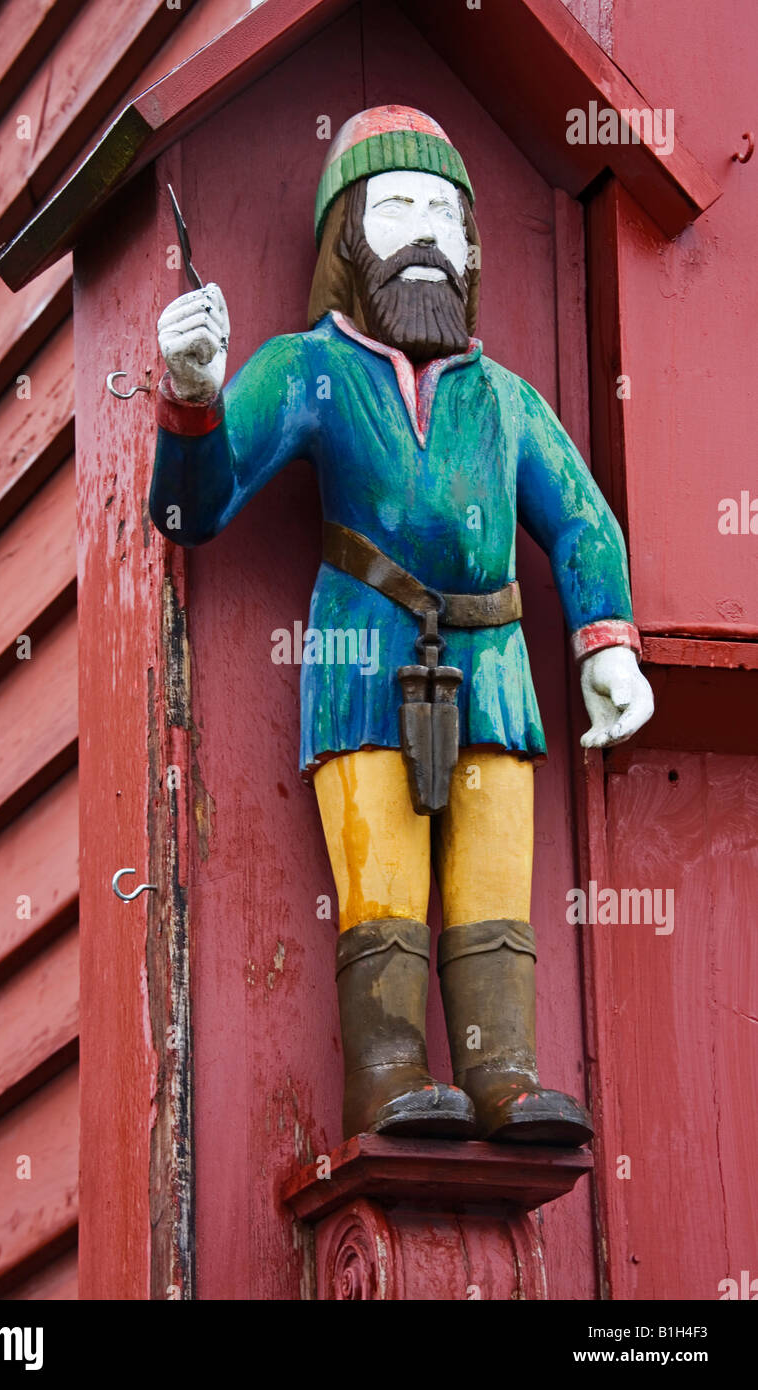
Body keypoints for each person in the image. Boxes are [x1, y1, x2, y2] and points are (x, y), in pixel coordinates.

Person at [149, 106, 653, 1146]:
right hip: (361, 650)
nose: (423, 233)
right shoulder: (309, 371)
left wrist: (604, 643)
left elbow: (581, 521)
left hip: (496, 656)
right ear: (348, 239)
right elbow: (196, 508)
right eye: (394, 210)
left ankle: (503, 1070)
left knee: (490, 865)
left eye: (441, 214)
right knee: (378, 870)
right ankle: (386, 1073)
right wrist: (192, 397)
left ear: (469, 248)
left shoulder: (503, 398)